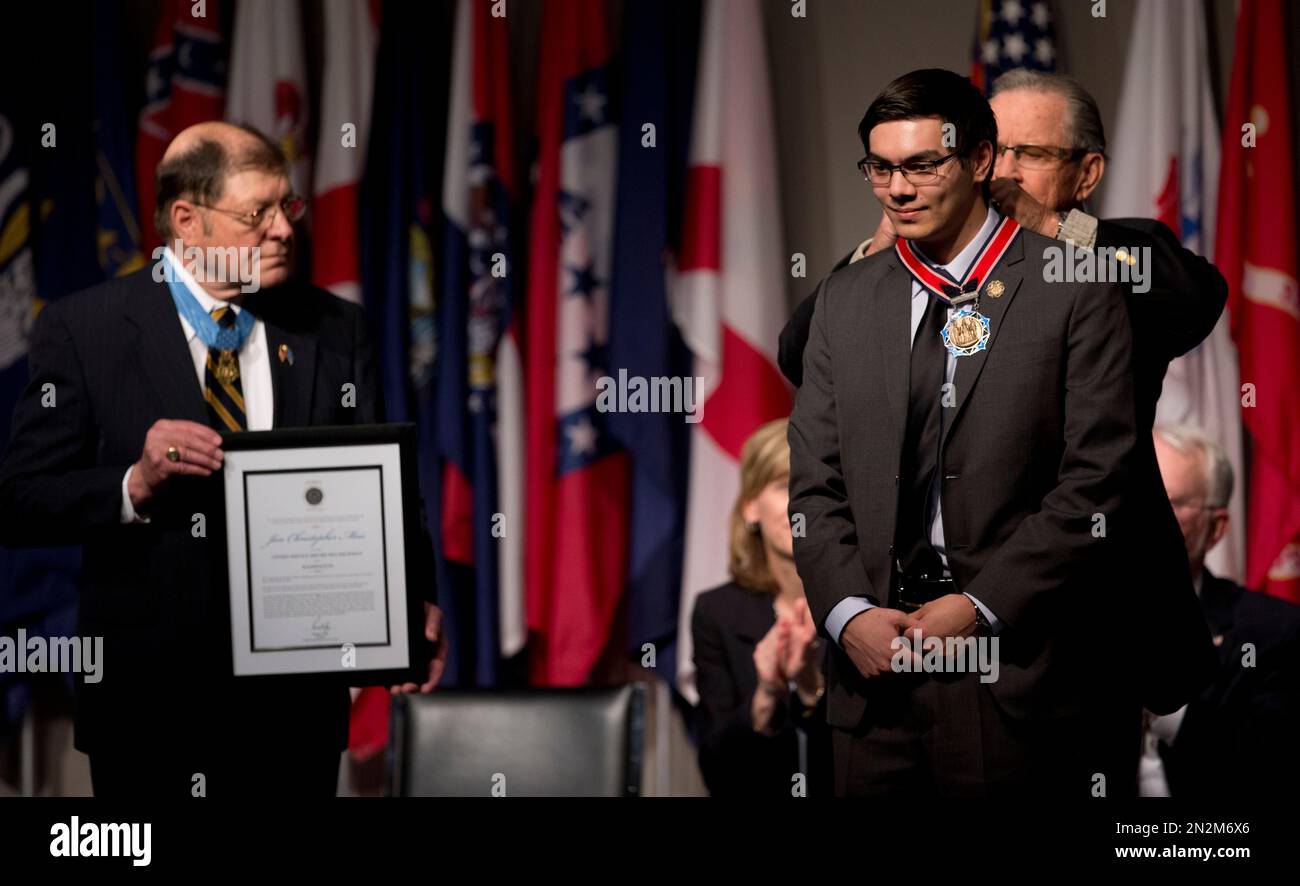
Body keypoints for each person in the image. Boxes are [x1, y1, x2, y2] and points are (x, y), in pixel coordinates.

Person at [0, 122, 446, 797]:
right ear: (188, 219)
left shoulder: (333, 326)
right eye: (255, 214)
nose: (283, 231)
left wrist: (410, 601)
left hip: (294, 718)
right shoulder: (83, 329)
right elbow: (21, 500)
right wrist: (134, 484)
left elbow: (382, 484)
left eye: (287, 206)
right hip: (148, 714)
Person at [789, 67, 1182, 796]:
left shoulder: (1083, 280)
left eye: (921, 166)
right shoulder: (846, 297)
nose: (899, 189)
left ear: (977, 161)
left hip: (1027, 677)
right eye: (881, 169)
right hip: (876, 680)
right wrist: (847, 615)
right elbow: (815, 481)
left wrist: (979, 607)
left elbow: (1096, 479)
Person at [1144, 425, 1300, 797]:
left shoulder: (1274, 632)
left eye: (1165, 502)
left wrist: (1158, 703)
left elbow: (1264, 767)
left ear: (1215, 528)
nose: (1140, 518)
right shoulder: (1057, 618)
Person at [692, 419, 830, 797]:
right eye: (785, 485)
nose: (803, 504)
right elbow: (717, 771)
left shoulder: (870, 606)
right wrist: (767, 695)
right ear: (751, 508)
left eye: (817, 488)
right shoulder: (716, 611)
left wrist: (809, 690)